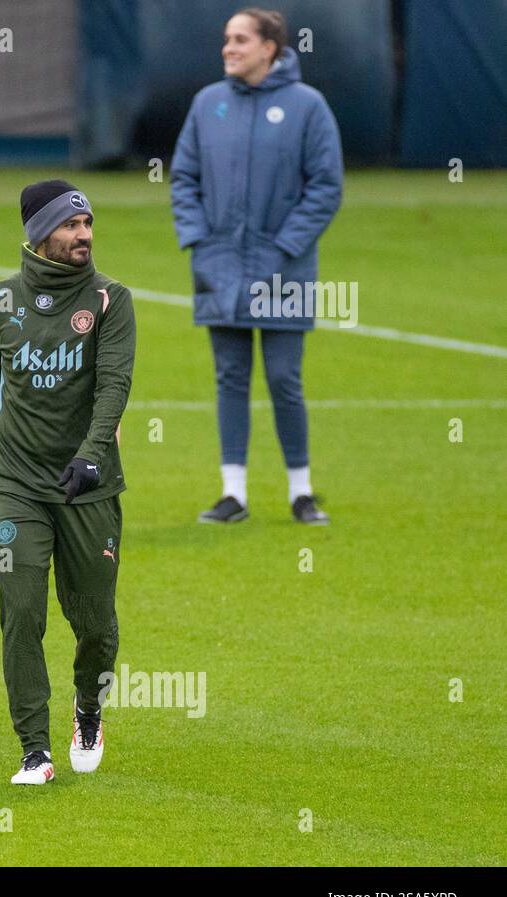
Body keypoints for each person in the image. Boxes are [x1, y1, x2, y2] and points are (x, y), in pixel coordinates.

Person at [0, 181, 136, 785]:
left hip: (89, 486)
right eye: (71, 225)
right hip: (17, 485)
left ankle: (89, 708)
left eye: (88, 224)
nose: (85, 235)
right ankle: (35, 749)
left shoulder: (111, 300)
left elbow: (113, 386)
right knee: (22, 612)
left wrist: (90, 456)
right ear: (39, 234)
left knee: (95, 624)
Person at [170, 7, 342, 525]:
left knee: (285, 378)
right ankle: (234, 495)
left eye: (240, 39)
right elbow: (183, 178)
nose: (229, 48)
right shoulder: (207, 104)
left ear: (270, 47)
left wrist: (284, 246)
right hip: (218, 267)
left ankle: (301, 492)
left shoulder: (307, 106)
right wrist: (200, 241)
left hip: (284, 269)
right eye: (226, 39)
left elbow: (326, 186)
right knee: (229, 376)